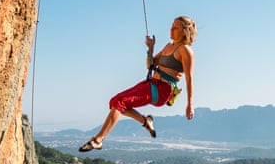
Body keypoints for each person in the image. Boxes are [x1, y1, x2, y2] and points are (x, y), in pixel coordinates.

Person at [79, 16, 196, 152]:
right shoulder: (168, 46)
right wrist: (150, 48)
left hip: (162, 91)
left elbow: (189, 78)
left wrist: (190, 104)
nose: (171, 29)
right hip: (151, 84)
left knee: (120, 103)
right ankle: (145, 121)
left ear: (185, 31)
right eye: (171, 26)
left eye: (176, 27)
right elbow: (150, 65)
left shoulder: (186, 51)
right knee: (114, 101)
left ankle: (98, 140)